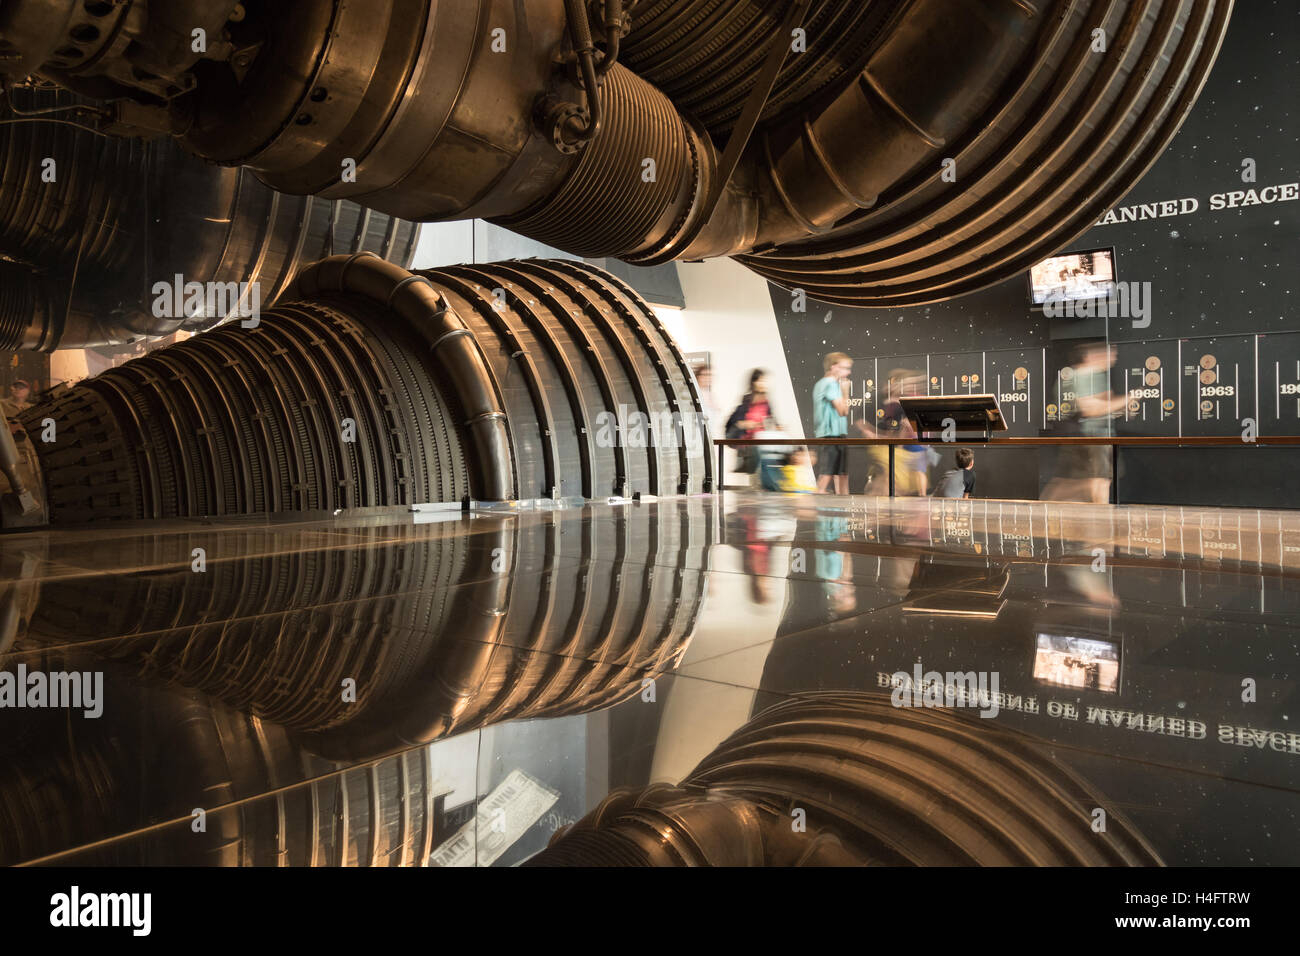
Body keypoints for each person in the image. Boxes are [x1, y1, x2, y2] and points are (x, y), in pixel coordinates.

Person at [1045, 341, 1127, 503]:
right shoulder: (1088, 374)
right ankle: (1101, 518)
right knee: (1098, 481)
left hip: (1085, 435)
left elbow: (1102, 402)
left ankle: (1047, 511)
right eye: (1110, 354)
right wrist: (1130, 397)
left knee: (1079, 481)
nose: (1114, 358)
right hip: (1092, 435)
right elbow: (1091, 409)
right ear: (1095, 356)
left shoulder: (1078, 374)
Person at [725, 369, 778, 476]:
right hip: (748, 445)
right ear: (753, 382)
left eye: (764, 381)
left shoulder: (766, 402)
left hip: (763, 442)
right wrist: (747, 424)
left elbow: (771, 421)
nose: (763, 384)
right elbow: (738, 422)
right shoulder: (746, 401)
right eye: (760, 381)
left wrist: (774, 426)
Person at [812, 352, 852, 494]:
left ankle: (840, 513)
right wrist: (845, 391)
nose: (848, 372)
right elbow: (843, 411)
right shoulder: (831, 384)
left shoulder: (821, 384)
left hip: (831, 434)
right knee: (829, 474)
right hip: (832, 434)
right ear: (834, 367)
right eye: (845, 368)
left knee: (840, 474)